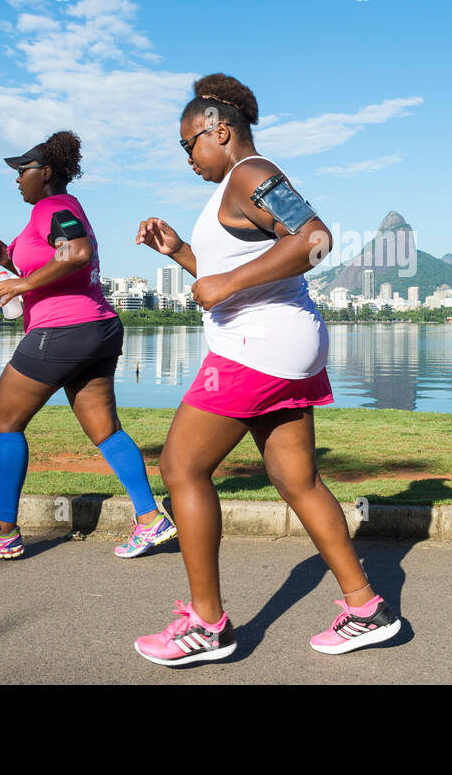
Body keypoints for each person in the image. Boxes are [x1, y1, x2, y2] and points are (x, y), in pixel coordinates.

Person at [132, 73, 402, 666]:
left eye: (187, 145)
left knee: (181, 467)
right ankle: (366, 609)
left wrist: (224, 283)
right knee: (296, 478)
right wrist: (179, 251)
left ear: (218, 130)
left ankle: (207, 626)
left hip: (257, 348)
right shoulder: (235, 185)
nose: (186, 158)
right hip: (286, 347)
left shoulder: (252, 172)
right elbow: (241, 258)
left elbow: (313, 239)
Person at [0, 131, 177, 561]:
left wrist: (23, 281)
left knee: (3, 418)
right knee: (104, 429)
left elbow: (76, 253)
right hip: (98, 327)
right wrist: (9, 263)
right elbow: (58, 257)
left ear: (46, 172)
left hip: (65, 330)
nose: (17, 178)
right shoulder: (58, 212)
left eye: (23, 170)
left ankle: (3, 531)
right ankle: (150, 520)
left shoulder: (54, 206)